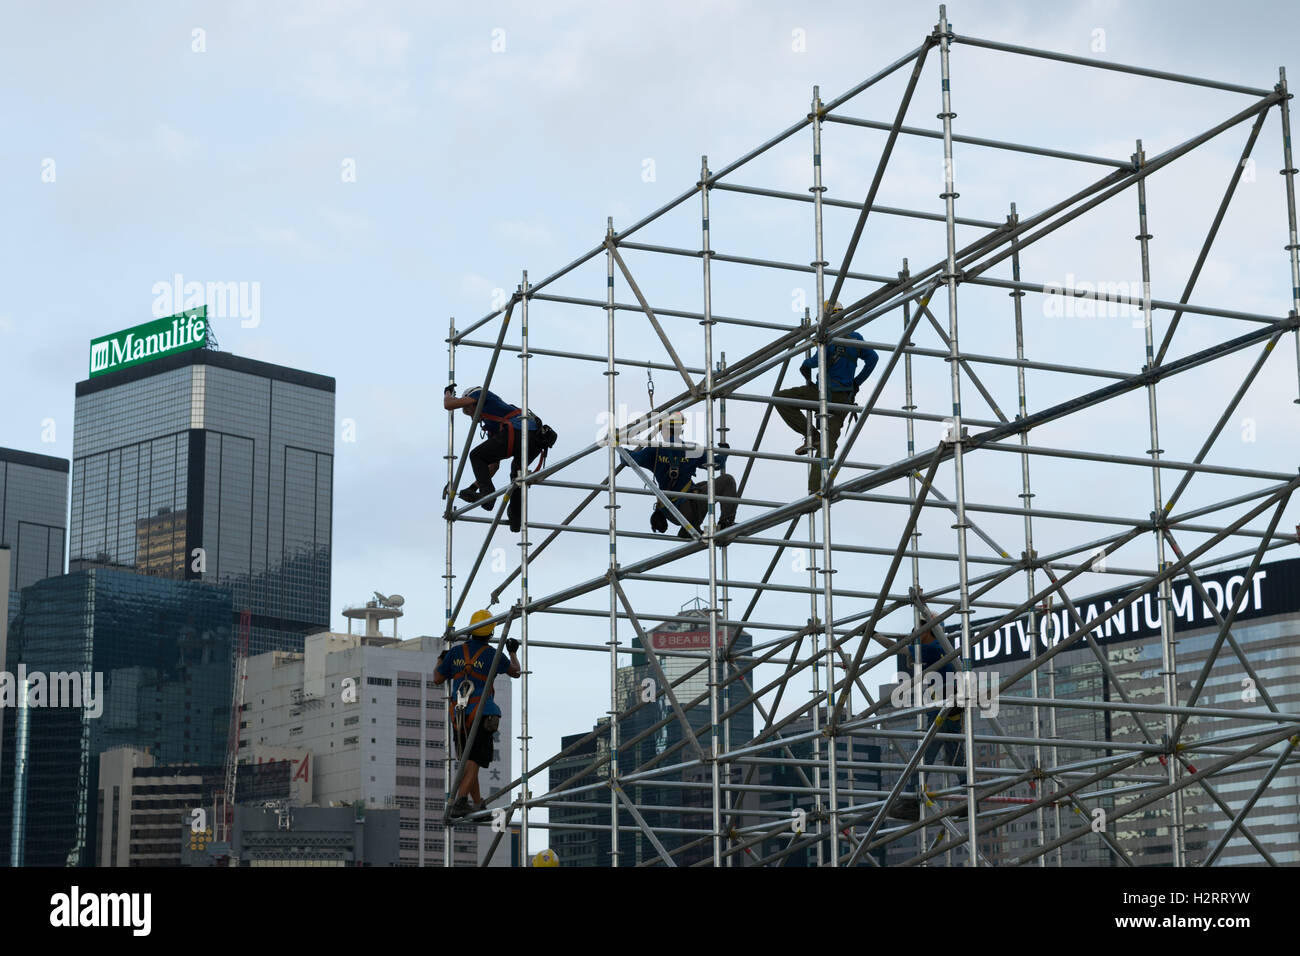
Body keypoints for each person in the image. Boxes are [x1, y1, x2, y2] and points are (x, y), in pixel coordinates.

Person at [773, 301, 879, 493]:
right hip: (843, 401)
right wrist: (857, 382)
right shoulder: (855, 338)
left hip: (823, 395)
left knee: (780, 398)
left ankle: (812, 435)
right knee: (827, 446)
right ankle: (815, 490)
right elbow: (873, 359)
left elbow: (815, 361)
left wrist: (805, 364)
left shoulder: (828, 338)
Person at [434, 609, 521, 821]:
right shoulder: (493, 654)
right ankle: (461, 802)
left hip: (460, 718)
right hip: (483, 714)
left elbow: (437, 677)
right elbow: (516, 671)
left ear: (471, 631)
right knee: (475, 761)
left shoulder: (455, 653)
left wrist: (441, 658)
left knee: (469, 760)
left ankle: (477, 804)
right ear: (490, 634)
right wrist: (512, 652)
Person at [444, 384, 556, 532]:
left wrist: (447, 393)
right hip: (533, 439)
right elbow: (493, 466)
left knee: (476, 455)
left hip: (519, 431)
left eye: (468, 410)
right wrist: (473, 487)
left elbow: (449, 405)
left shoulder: (480, 394)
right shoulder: (493, 426)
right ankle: (516, 518)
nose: (470, 416)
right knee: (517, 476)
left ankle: (489, 496)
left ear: (470, 400)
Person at [892, 624, 965, 822]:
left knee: (923, 757)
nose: (914, 634)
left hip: (943, 709)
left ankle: (912, 802)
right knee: (956, 757)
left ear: (927, 631)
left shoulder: (932, 647)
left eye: (916, 631)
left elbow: (898, 649)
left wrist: (872, 635)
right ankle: (969, 799)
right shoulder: (940, 649)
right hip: (950, 708)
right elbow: (911, 663)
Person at [628, 410, 737, 538]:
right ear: (680, 430)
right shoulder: (690, 449)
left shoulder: (654, 451)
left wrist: (618, 446)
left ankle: (689, 529)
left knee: (702, 485)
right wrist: (724, 451)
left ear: (663, 431)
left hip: (670, 511)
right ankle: (726, 523)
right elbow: (718, 463)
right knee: (727, 481)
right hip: (687, 511)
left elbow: (627, 460)